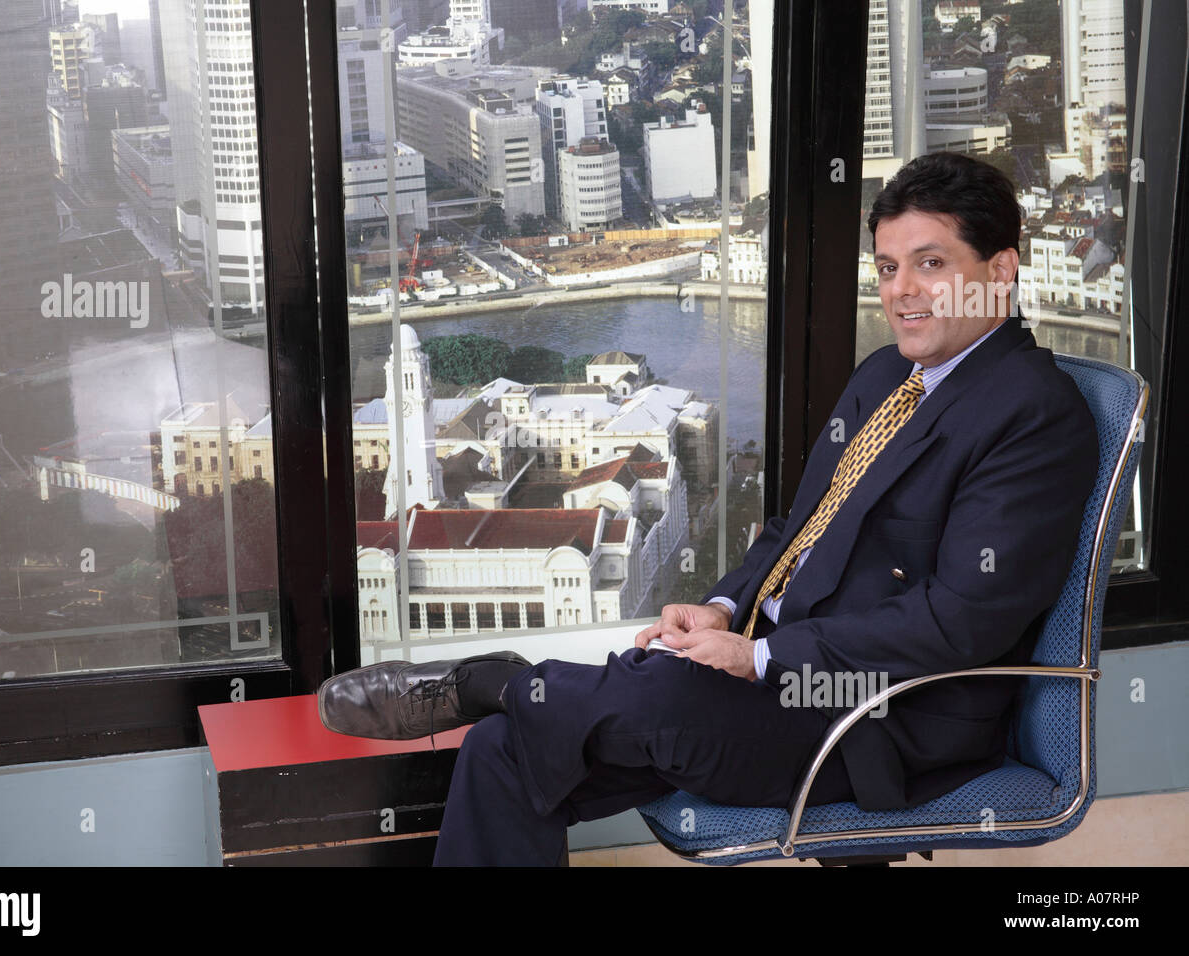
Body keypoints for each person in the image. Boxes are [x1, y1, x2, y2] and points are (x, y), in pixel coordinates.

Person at [318, 152, 1099, 866]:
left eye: (932, 265)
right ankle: (506, 696)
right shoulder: (883, 377)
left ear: (999, 271)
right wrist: (727, 608)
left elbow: (964, 621)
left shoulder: (1032, 412)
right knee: (501, 750)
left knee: (650, 695)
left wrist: (762, 661)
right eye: (889, 267)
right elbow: (799, 531)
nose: (901, 291)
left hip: (871, 713)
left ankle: (497, 680)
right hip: (774, 670)